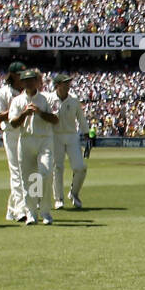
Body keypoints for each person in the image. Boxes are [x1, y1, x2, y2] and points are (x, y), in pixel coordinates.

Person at [8, 68, 58, 225]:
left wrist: (40, 112)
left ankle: (45, 211)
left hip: (44, 140)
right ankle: (31, 213)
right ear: (22, 83)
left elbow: (55, 119)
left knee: (46, 173)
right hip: (26, 141)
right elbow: (13, 123)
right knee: (28, 179)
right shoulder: (17, 101)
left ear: (37, 81)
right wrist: (24, 114)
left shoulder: (46, 99)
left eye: (32, 80)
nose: (29, 83)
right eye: (26, 81)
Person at [47, 73, 88, 210]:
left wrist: (87, 133)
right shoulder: (49, 99)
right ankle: (58, 199)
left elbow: (81, 118)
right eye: (65, 83)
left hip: (71, 136)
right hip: (55, 136)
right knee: (57, 168)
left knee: (80, 167)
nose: (68, 85)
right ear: (57, 85)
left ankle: (74, 193)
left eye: (69, 83)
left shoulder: (74, 99)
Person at [0, 61, 26, 222]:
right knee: (16, 172)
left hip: (27, 134)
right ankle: (21, 210)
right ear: (12, 75)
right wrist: (15, 110)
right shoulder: (2, 92)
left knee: (26, 171)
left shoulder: (28, 92)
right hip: (11, 133)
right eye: (19, 74)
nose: (22, 77)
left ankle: (11, 210)